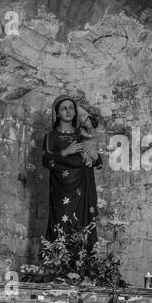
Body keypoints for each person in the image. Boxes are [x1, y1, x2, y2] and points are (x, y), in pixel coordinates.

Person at [42, 96, 102, 245]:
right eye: (64, 108)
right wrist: (65, 152)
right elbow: (46, 160)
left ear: (75, 112)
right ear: (57, 113)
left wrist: (94, 158)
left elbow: (95, 159)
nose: (69, 111)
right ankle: (58, 262)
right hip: (61, 189)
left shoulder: (81, 135)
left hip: (83, 187)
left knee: (83, 226)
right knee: (61, 223)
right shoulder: (51, 137)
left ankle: (84, 262)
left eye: (71, 108)